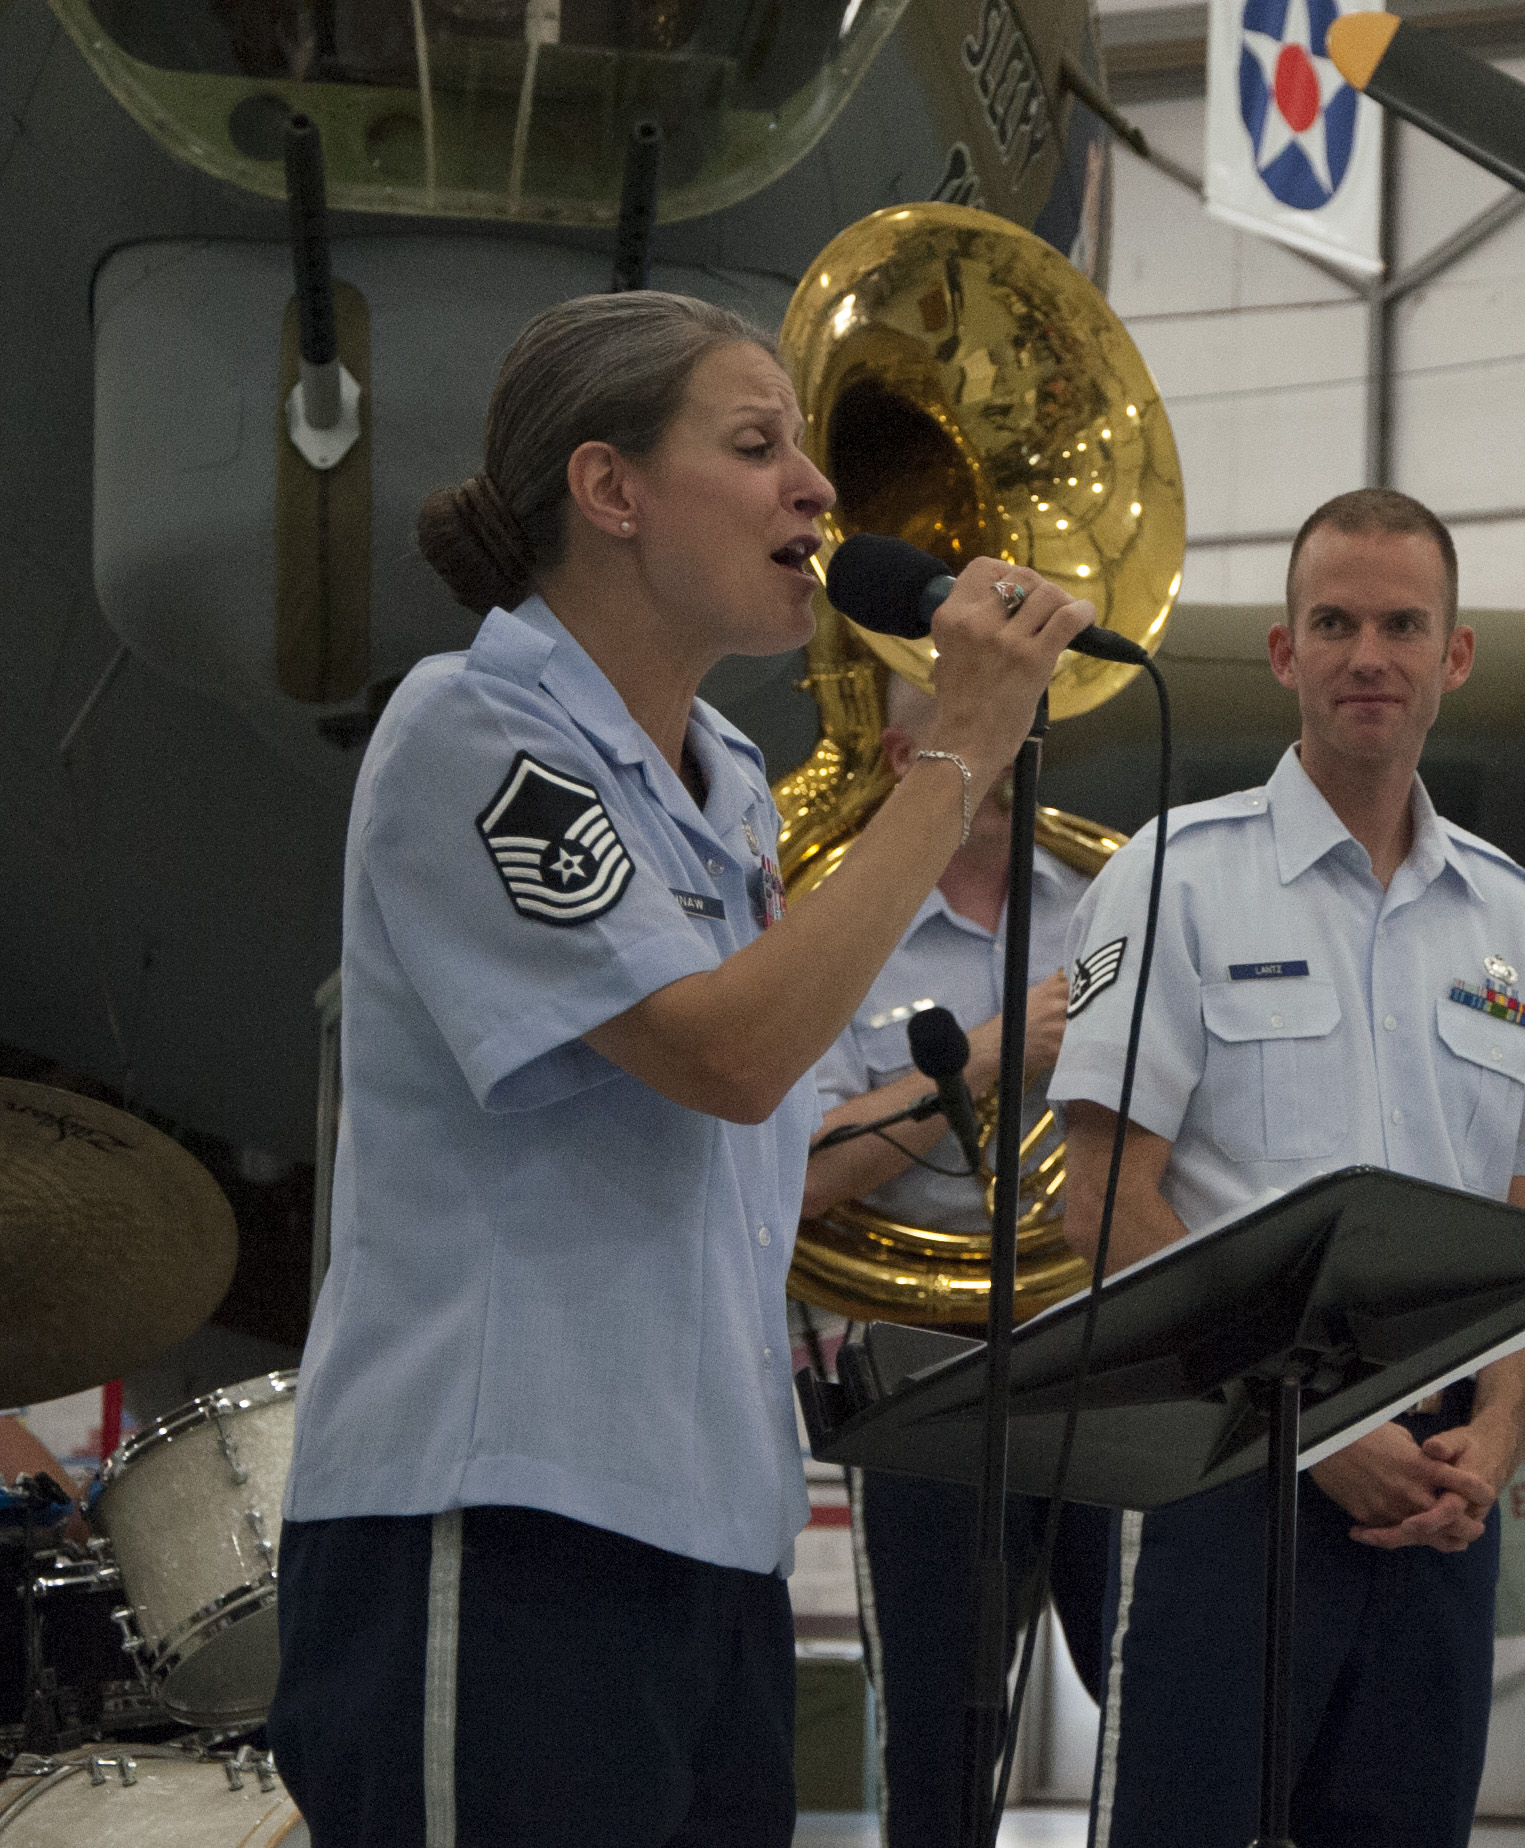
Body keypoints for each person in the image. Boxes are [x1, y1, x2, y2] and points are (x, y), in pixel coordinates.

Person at [266, 290, 1094, 1847]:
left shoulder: (724, 794)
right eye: (756, 444)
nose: (818, 489)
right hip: (506, 1520)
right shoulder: (471, 729)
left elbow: (770, 1110)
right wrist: (963, 754)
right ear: (611, 489)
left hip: (714, 1540)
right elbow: (725, 1054)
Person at [1048, 488, 1525, 1848]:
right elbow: (1105, 1206)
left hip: (1437, 1508)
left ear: (1454, 657)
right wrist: (1316, 1434)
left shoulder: (1519, 920)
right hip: (1226, 1480)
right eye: (1337, 622)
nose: (1372, 653)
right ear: (1284, 654)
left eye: (1403, 625)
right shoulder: (1173, 881)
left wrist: (1497, 1438)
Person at [799, 669, 1113, 1848]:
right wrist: (987, 1058)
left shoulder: (1108, 903)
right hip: (924, 1362)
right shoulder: (836, 927)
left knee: (1159, 1710)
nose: (1021, 751)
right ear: (898, 760)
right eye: (982, 726)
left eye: (1026, 726)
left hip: (1105, 1343)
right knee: (939, 1745)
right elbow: (799, 1177)